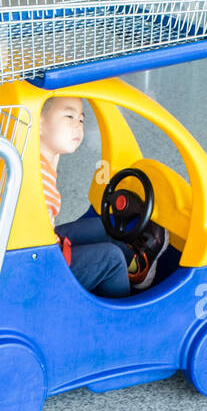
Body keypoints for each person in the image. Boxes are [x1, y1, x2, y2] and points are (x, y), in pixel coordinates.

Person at [40, 97, 135, 298]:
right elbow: (39, 249)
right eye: (69, 116)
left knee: (99, 227)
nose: (78, 126)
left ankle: (135, 268)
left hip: (40, 246)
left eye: (81, 120)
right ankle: (117, 320)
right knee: (112, 259)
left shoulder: (30, 157)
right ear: (38, 122)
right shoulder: (39, 181)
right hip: (38, 272)